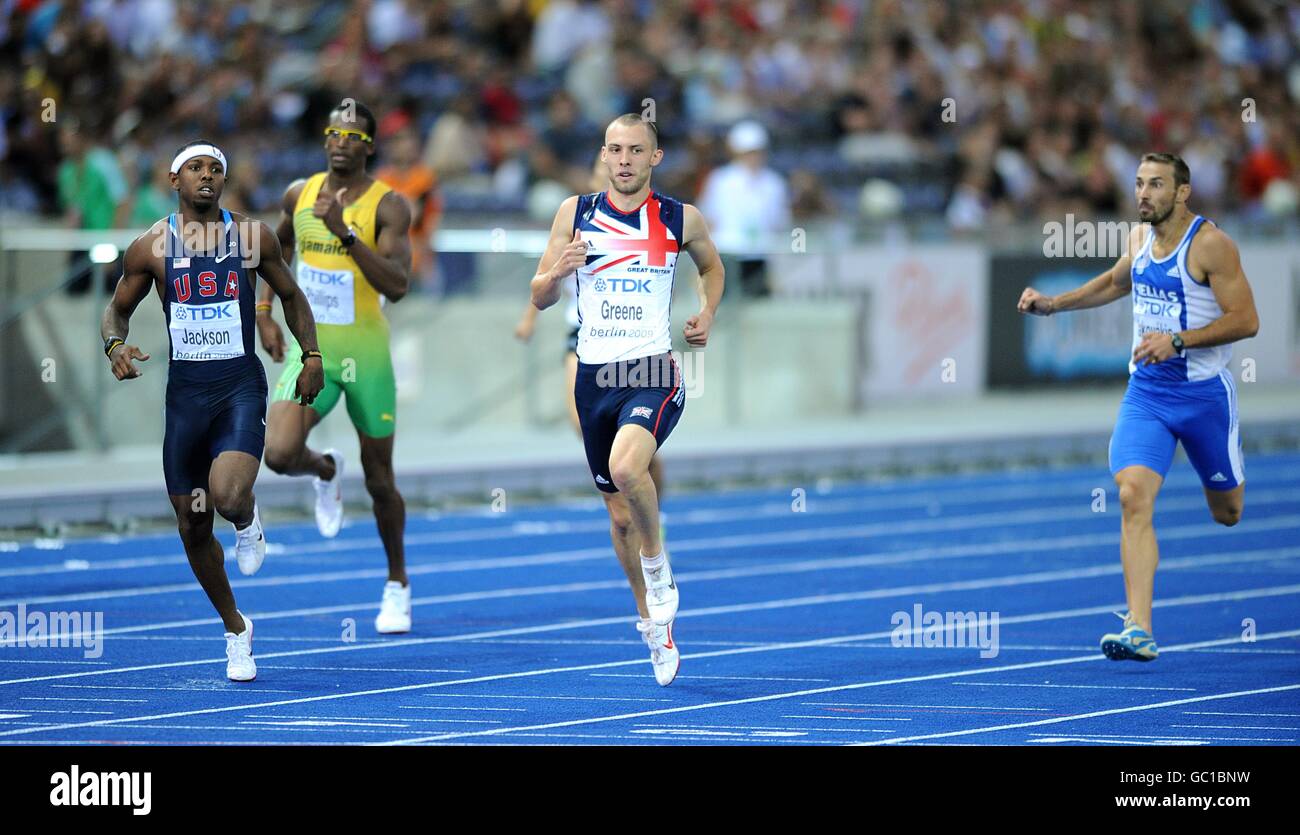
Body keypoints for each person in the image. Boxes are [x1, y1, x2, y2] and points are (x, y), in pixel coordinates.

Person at [1018, 152, 1259, 662]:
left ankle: (1223, 481)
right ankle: (1140, 628)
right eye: (1139, 184)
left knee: (1228, 513)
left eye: (1155, 185)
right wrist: (1054, 305)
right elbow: (1113, 282)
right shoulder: (1138, 240)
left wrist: (1179, 340)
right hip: (1147, 395)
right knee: (1131, 496)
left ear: (1182, 192)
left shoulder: (1212, 246)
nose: (1144, 194)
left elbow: (1246, 320)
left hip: (1203, 396)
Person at [100, 140, 324, 681]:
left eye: (216, 169)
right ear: (174, 180)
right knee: (193, 525)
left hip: (238, 388)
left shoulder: (250, 236)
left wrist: (311, 354)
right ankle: (235, 629)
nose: (208, 175)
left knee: (224, 496)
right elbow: (116, 310)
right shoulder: (151, 247)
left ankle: (246, 519)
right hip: (186, 399)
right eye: (196, 168)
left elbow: (291, 294)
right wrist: (115, 346)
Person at [530, 114, 724, 686]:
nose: (623, 160)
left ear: (654, 158)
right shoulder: (575, 213)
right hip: (593, 377)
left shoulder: (679, 217)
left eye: (635, 151)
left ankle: (659, 565)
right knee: (618, 518)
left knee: (627, 466)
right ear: (604, 155)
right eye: (615, 150)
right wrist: (556, 274)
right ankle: (651, 622)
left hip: (651, 369)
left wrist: (707, 310)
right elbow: (539, 295)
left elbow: (713, 267)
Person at [256, 100, 415, 634]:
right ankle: (325, 469)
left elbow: (397, 284)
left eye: (351, 135)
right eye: (332, 132)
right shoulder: (298, 194)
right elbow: (272, 249)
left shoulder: (388, 205)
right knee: (277, 452)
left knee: (381, 480)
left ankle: (397, 584)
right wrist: (263, 312)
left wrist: (344, 233)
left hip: (366, 354)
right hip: (312, 350)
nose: (338, 141)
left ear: (368, 145)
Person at [515, 155, 667, 508]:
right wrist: (529, 319)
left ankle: (652, 506)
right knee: (582, 423)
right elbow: (544, 276)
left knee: (636, 444)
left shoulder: (645, 221)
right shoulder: (577, 220)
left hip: (633, 342)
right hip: (582, 336)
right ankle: (621, 505)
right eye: (601, 174)